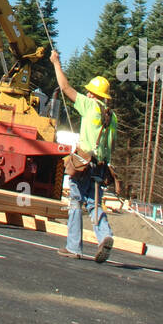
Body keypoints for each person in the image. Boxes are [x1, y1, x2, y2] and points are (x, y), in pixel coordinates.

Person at [50, 48, 118, 263]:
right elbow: (111, 143)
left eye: (89, 91)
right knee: (94, 203)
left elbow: (65, 88)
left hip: (84, 162)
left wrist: (56, 63)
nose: (87, 93)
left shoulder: (90, 106)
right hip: (100, 165)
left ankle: (74, 247)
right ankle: (105, 235)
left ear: (93, 94)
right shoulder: (112, 116)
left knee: (76, 202)